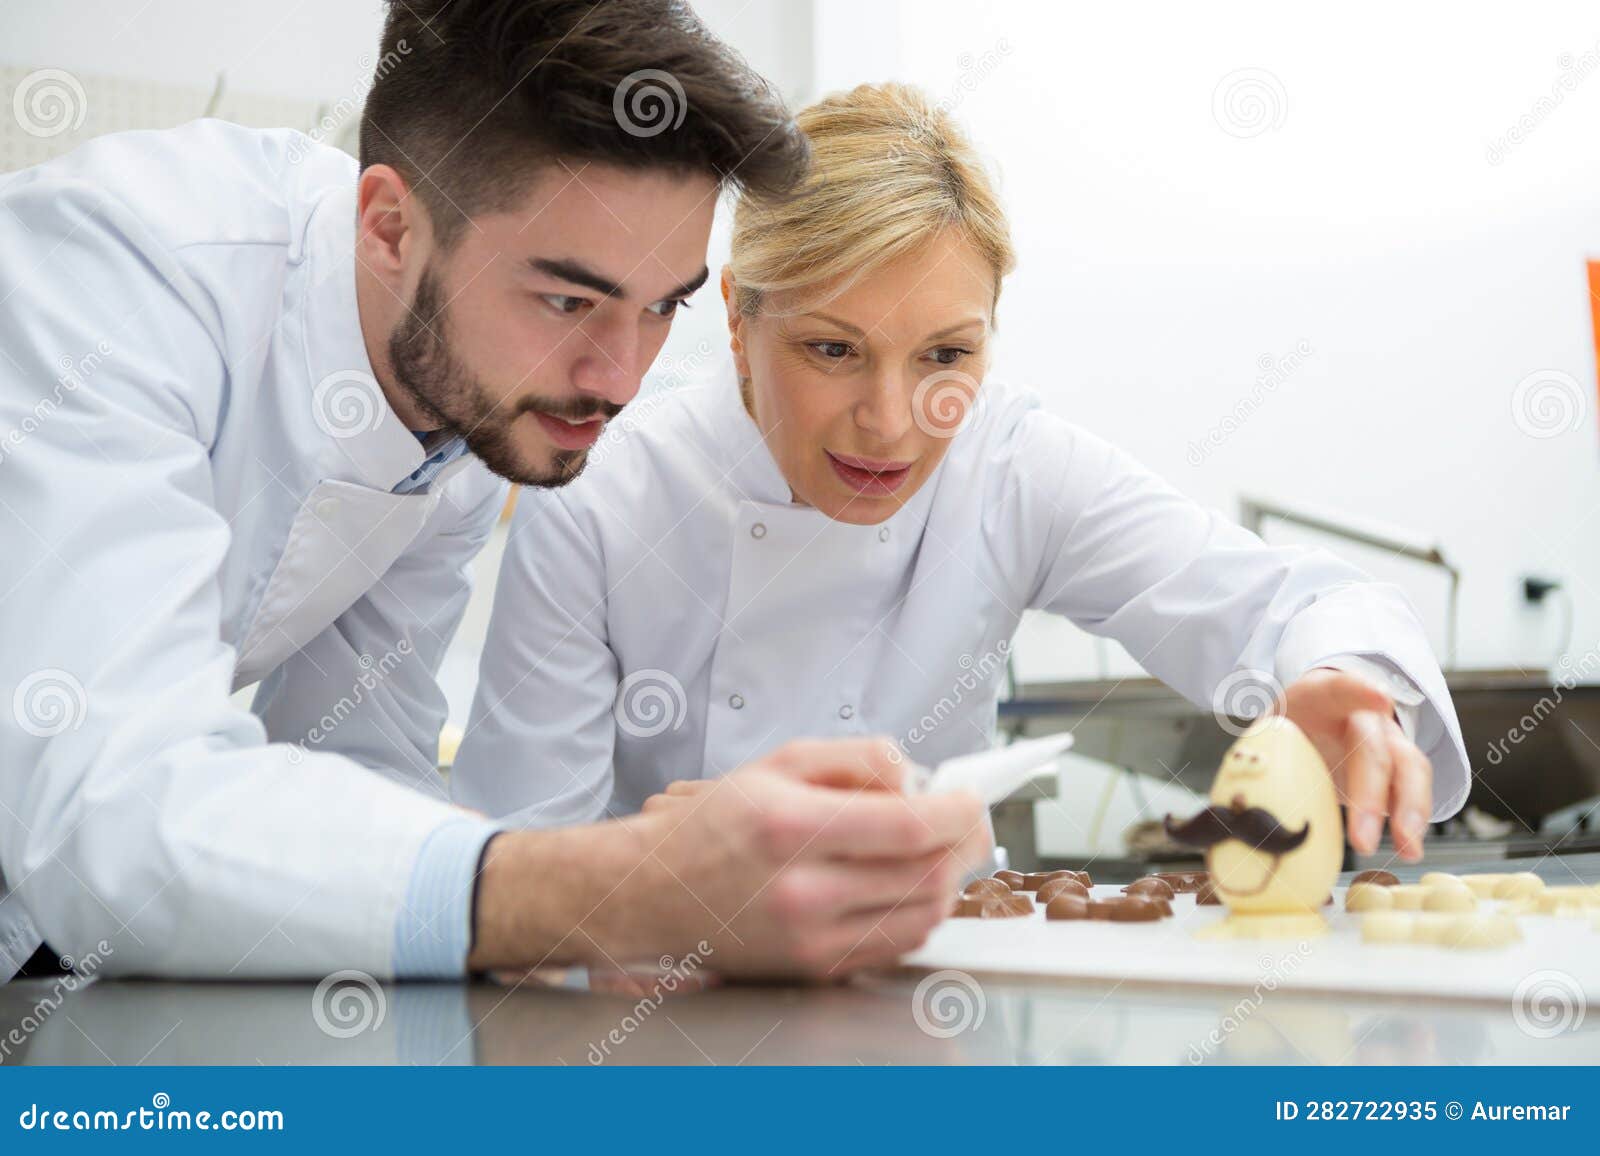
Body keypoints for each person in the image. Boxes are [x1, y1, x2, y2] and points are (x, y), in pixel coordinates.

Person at [0, 1, 988, 983]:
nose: (617, 377)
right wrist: (623, 886)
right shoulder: (110, 275)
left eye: (660, 309)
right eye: (568, 300)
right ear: (390, 226)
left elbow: (355, 770)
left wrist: (642, 883)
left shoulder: (474, 409)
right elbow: (108, 808)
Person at [453, 82, 1471, 860]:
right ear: (735, 317)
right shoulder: (602, 496)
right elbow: (520, 865)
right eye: (832, 351)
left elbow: (1290, 604)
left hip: (937, 996)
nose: (891, 425)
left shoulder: (1010, 465)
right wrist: (680, 865)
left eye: (946, 355)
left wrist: (1340, 680)